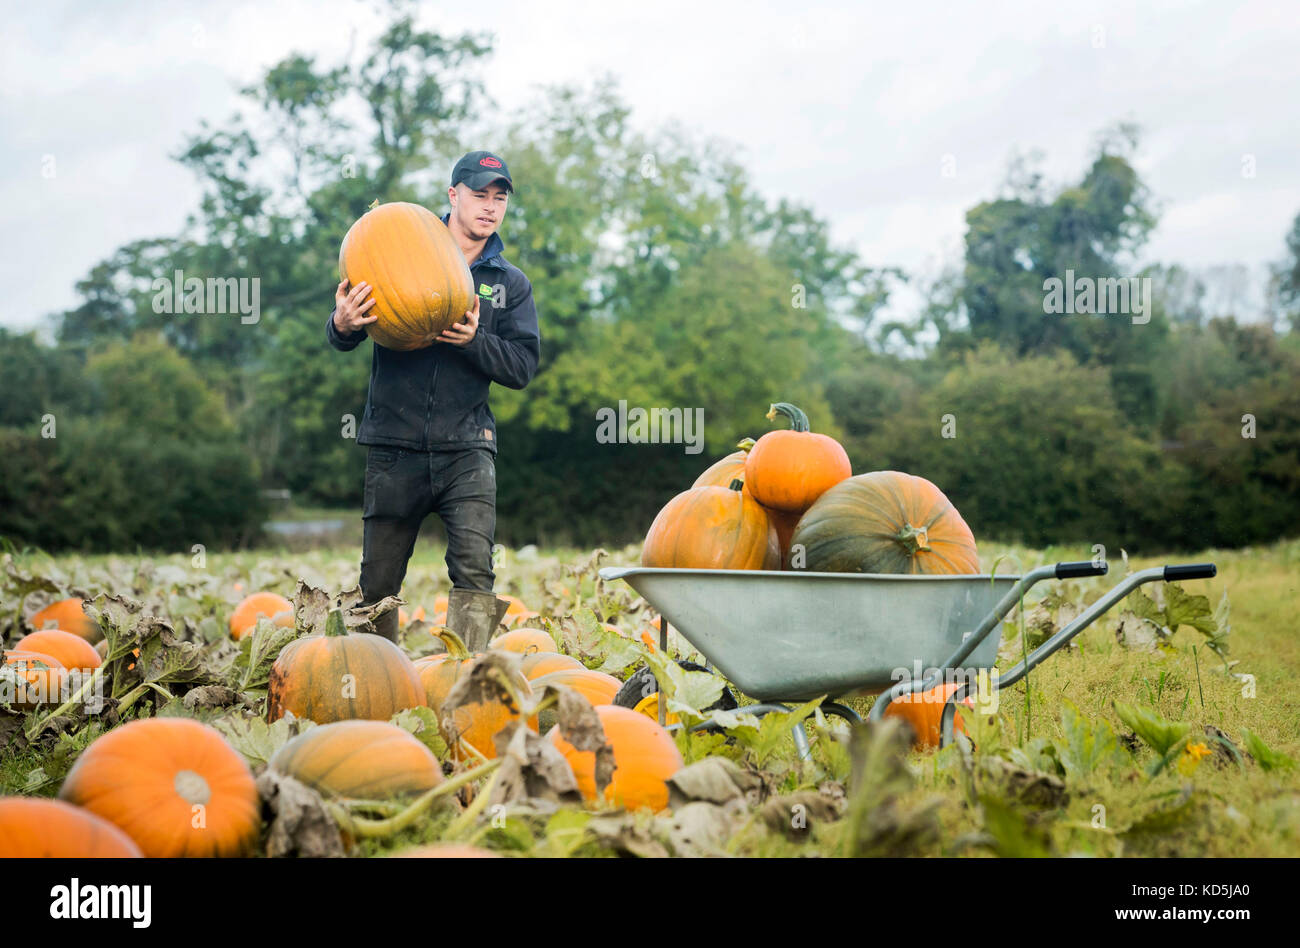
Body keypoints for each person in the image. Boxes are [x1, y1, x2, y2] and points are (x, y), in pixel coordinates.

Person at [326, 150, 540, 649]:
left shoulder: (509, 285)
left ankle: (468, 683)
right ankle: (376, 683)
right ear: (453, 195)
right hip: (393, 447)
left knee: (474, 575)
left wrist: (475, 341)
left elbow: (523, 368)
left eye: (499, 198)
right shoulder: (399, 250)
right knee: (377, 585)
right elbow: (344, 332)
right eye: (479, 194)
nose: (489, 207)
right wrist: (341, 324)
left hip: (467, 448)